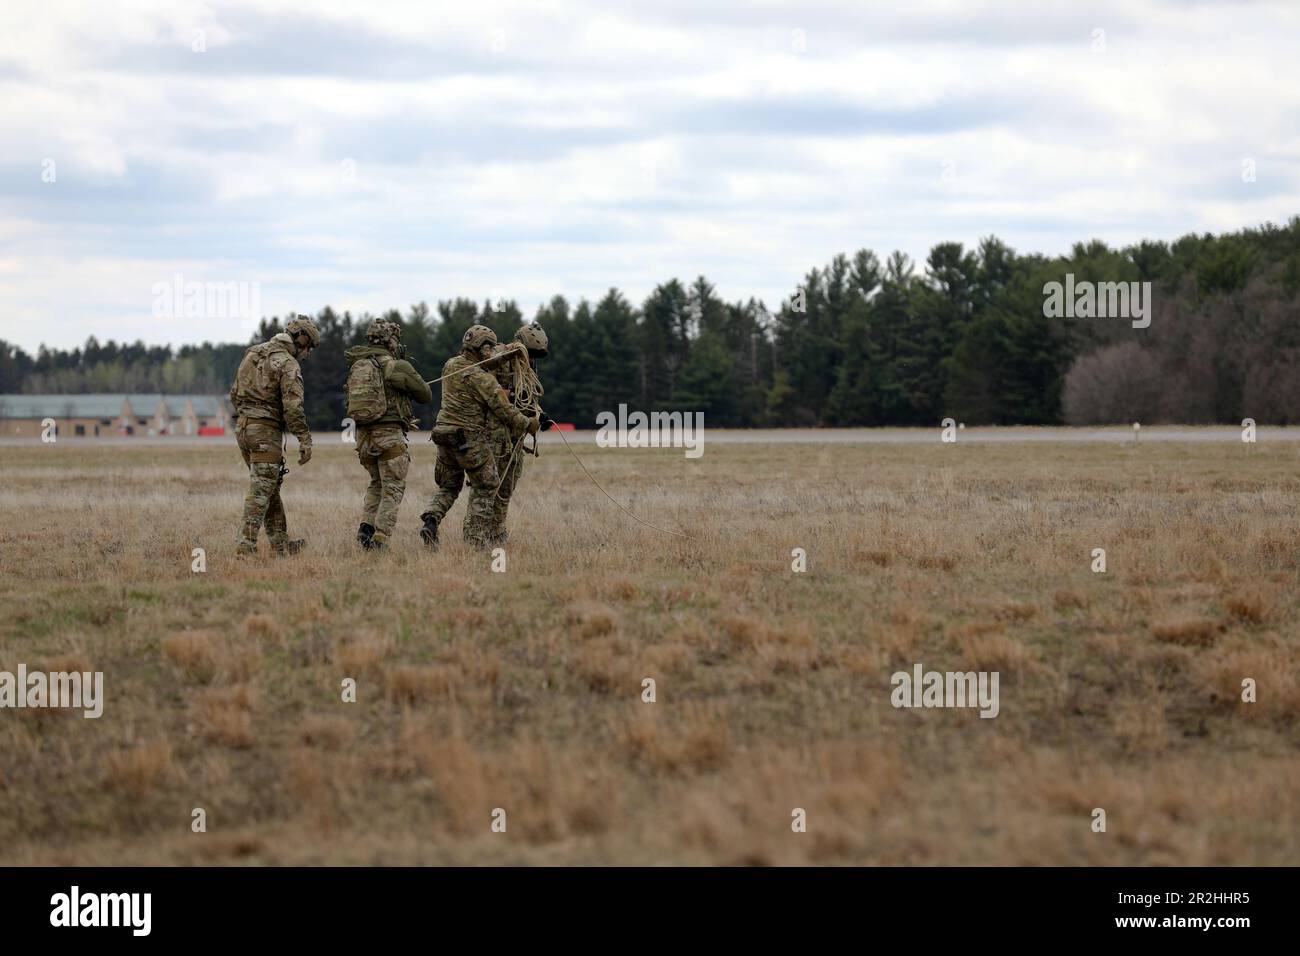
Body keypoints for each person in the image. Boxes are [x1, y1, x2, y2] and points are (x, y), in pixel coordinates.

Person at [419, 325, 537, 550]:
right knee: (487, 484)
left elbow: (482, 364)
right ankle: (475, 541)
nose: (492, 351)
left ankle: (431, 519)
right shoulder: (483, 380)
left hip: (443, 434)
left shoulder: (450, 365)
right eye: (489, 347)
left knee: (449, 486)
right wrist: (528, 424)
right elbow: (505, 411)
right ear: (482, 347)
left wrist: (508, 351)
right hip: (467, 438)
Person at [229, 315, 319, 557]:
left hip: (244, 428)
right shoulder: (288, 364)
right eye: (309, 347)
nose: (309, 353)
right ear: (300, 339)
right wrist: (304, 438)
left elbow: (234, 393)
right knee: (261, 490)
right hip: (265, 432)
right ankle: (245, 548)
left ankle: (281, 545)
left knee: (269, 487)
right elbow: (293, 408)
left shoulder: (253, 353)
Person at [344, 319, 432, 551]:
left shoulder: (359, 365)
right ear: (391, 341)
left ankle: (365, 529)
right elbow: (425, 394)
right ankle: (380, 539)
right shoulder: (396, 366)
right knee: (392, 488)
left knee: (376, 484)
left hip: (363, 438)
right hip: (389, 437)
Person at [487, 322, 555, 545]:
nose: (532, 359)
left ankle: (497, 530)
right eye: (531, 353)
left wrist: (538, 416)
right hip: (495, 432)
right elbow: (486, 390)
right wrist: (513, 400)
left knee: (508, 484)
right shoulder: (499, 358)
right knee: (490, 485)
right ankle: (480, 532)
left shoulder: (529, 366)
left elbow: (529, 397)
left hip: (517, 432)